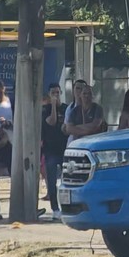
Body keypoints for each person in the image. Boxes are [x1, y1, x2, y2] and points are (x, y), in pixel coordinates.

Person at [42, 84, 68, 220]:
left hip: (65, 149)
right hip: (51, 150)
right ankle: (55, 208)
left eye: (58, 92)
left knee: (67, 180)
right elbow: (51, 122)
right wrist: (52, 105)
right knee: (51, 181)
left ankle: (67, 206)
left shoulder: (66, 108)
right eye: (53, 93)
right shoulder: (45, 110)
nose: (56, 95)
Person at [63, 79, 88, 145]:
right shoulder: (70, 107)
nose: (79, 91)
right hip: (72, 143)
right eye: (77, 88)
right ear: (73, 90)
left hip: (86, 142)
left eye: (82, 89)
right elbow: (66, 127)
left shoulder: (91, 107)